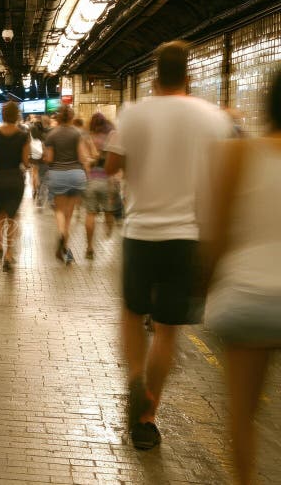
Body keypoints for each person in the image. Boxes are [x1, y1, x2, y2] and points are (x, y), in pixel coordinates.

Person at [104, 40, 232, 450]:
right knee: (166, 330)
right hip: (188, 237)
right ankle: (147, 418)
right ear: (189, 75)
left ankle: (134, 380)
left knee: (131, 313)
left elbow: (110, 168)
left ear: (154, 75)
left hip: (141, 232)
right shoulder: (213, 118)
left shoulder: (134, 113)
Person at [202, 71, 281, 484]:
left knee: (243, 415)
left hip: (247, 300)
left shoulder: (237, 154)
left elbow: (215, 235)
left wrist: (207, 287)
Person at [0, 101, 30, 272]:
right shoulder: (24, 135)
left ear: (3, 115)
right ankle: (9, 253)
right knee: (11, 218)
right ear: (17, 115)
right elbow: (26, 163)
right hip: (15, 180)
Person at [43, 104, 88, 265]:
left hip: (58, 175)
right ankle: (66, 251)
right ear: (71, 117)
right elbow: (83, 157)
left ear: (59, 117)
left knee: (59, 211)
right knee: (69, 215)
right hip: (76, 175)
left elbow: (48, 159)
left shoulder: (51, 135)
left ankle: (61, 234)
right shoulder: (78, 133)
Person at [83, 112, 118, 259]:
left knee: (90, 214)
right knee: (109, 212)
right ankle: (109, 228)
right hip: (108, 180)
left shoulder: (87, 138)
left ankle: (90, 247)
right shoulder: (111, 136)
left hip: (91, 180)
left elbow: (85, 162)